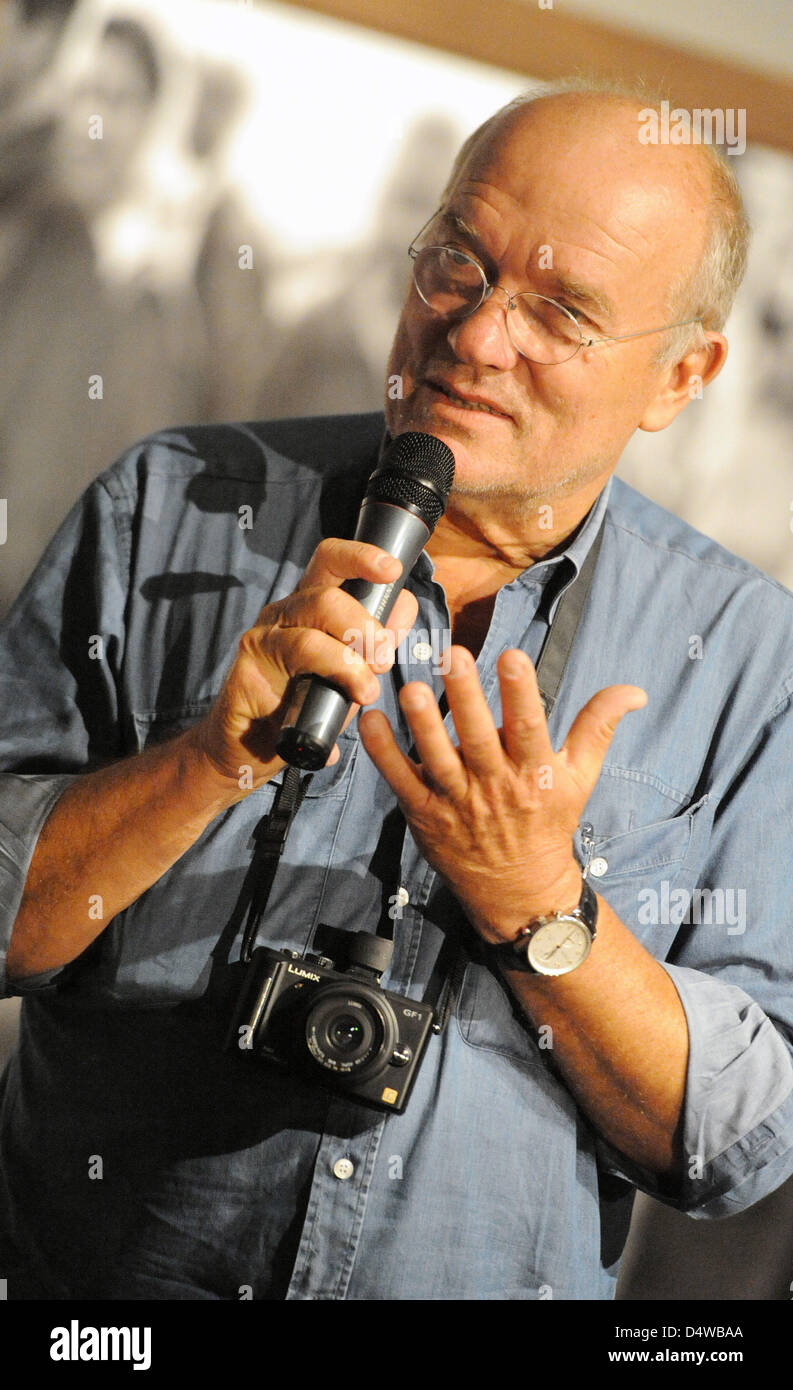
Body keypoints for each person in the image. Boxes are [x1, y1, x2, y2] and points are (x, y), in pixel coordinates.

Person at [2, 81, 793, 1302]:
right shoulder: (165, 509)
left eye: (561, 313)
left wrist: (540, 908)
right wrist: (206, 762)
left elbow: (736, 1140)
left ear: (681, 377)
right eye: (454, 266)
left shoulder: (747, 656)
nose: (475, 337)